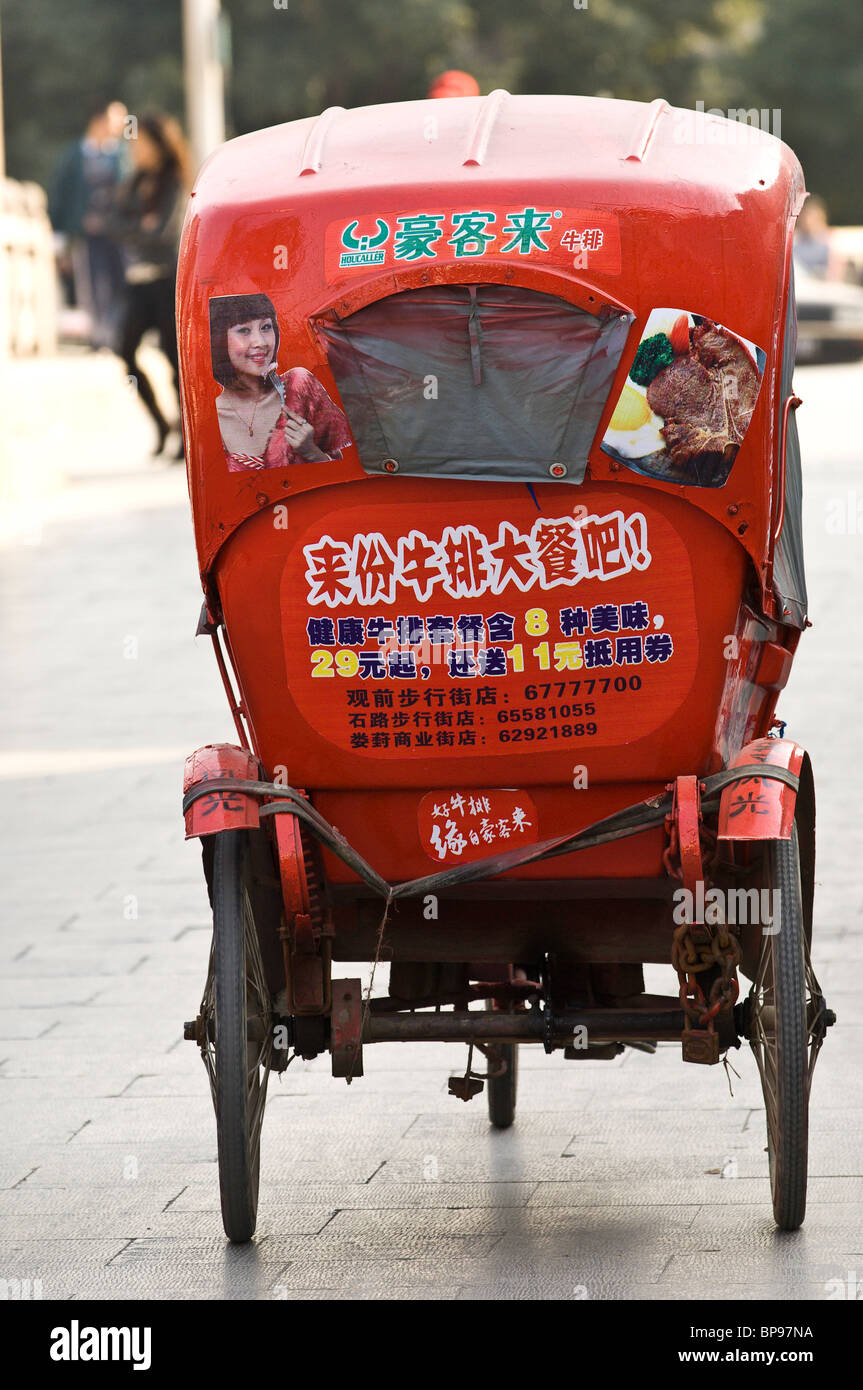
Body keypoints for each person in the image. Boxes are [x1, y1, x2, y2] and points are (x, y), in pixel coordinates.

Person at [111, 113, 191, 458]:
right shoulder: (132, 183)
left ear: (158, 144)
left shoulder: (174, 181)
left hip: (166, 282)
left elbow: (162, 234)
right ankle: (160, 422)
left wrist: (137, 228)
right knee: (125, 354)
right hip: (138, 283)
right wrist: (138, 227)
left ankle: (186, 437)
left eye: (140, 142)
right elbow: (111, 224)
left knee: (175, 361)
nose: (135, 150)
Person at [209, 293, 353, 471]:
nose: (260, 342)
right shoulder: (210, 418)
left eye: (266, 327)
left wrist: (311, 452)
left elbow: (342, 475)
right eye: (244, 330)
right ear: (219, 340)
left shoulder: (297, 388)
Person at [48, 99, 129, 349]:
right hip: (86, 234)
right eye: (117, 119)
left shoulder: (122, 156)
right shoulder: (75, 156)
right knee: (92, 286)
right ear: (99, 120)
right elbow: (60, 196)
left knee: (121, 282)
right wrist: (59, 237)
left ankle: (120, 333)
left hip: (118, 233)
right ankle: (98, 335)